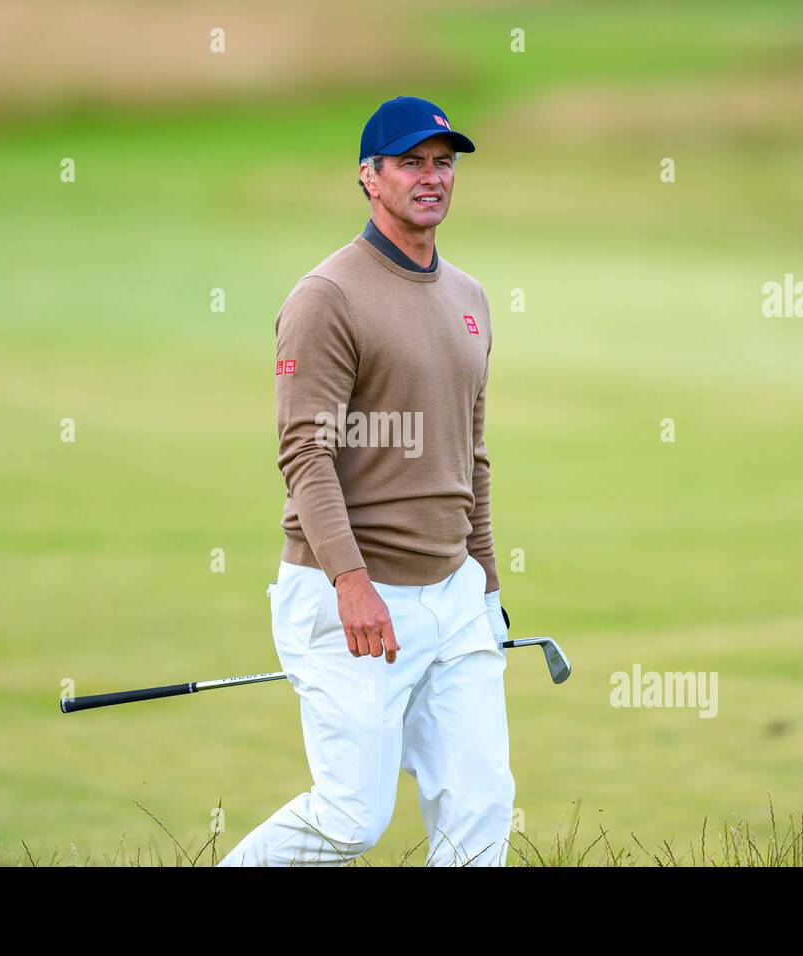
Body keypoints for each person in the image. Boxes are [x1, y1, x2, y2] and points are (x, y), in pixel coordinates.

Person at [219, 96, 514, 867]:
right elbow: (305, 455)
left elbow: (470, 457)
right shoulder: (327, 297)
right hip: (349, 594)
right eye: (411, 162)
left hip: (452, 595)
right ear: (369, 177)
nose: (431, 177)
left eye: (443, 163)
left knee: (482, 807)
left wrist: (485, 588)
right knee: (351, 819)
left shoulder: (471, 299)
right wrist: (351, 580)